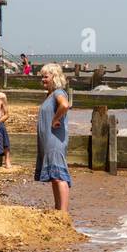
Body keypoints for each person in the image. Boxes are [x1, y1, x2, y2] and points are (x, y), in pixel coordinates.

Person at [35, 63, 72, 212]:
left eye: (46, 76)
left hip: (55, 140)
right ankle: (58, 210)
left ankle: (63, 212)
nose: (43, 79)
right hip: (49, 140)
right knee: (54, 176)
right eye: (42, 76)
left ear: (54, 77)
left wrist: (56, 119)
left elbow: (65, 105)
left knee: (59, 175)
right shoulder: (50, 94)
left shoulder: (58, 92)